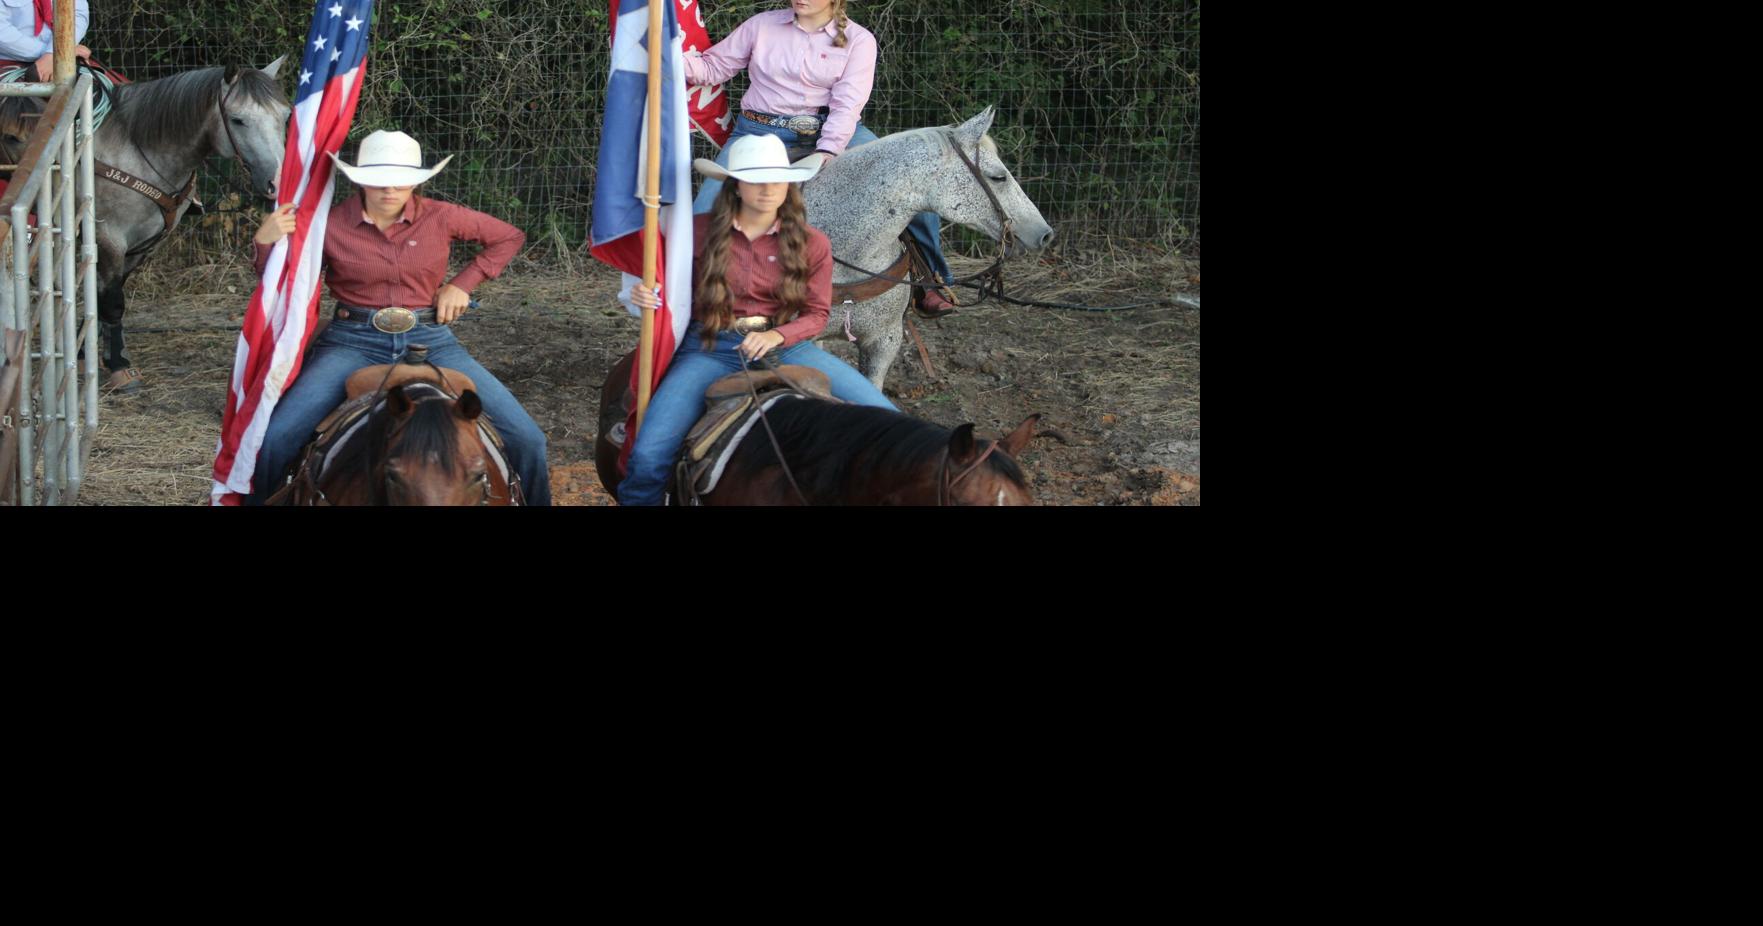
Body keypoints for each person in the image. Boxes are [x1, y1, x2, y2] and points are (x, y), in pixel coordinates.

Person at [246, 130, 551, 505]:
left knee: (528, 439)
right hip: (352, 341)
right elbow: (284, 283)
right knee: (277, 437)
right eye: (378, 180)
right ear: (359, 180)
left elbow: (508, 236)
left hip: (431, 339)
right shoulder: (328, 224)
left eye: (401, 180)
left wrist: (463, 284)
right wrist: (266, 241)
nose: (389, 189)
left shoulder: (441, 216)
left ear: (416, 181)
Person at [617, 133, 895, 506]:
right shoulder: (695, 232)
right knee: (649, 454)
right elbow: (663, 285)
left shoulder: (812, 242)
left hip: (787, 348)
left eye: (777, 180)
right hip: (710, 347)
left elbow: (817, 314)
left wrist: (778, 336)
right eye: (756, 179)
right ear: (736, 185)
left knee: (890, 420)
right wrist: (642, 294)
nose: (768, 189)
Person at [683, 0, 958, 316]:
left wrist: (828, 149)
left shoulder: (859, 40)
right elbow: (713, 68)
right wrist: (660, 54)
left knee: (907, 180)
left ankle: (930, 280)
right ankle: (691, 299)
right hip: (759, 132)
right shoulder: (761, 26)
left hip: (834, 130)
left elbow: (847, 105)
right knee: (705, 210)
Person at [0, 0, 91, 80]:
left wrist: (56, 53)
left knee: (92, 84)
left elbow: (77, 16)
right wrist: (57, 53)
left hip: (63, 57)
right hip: (10, 61)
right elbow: (3, 32)